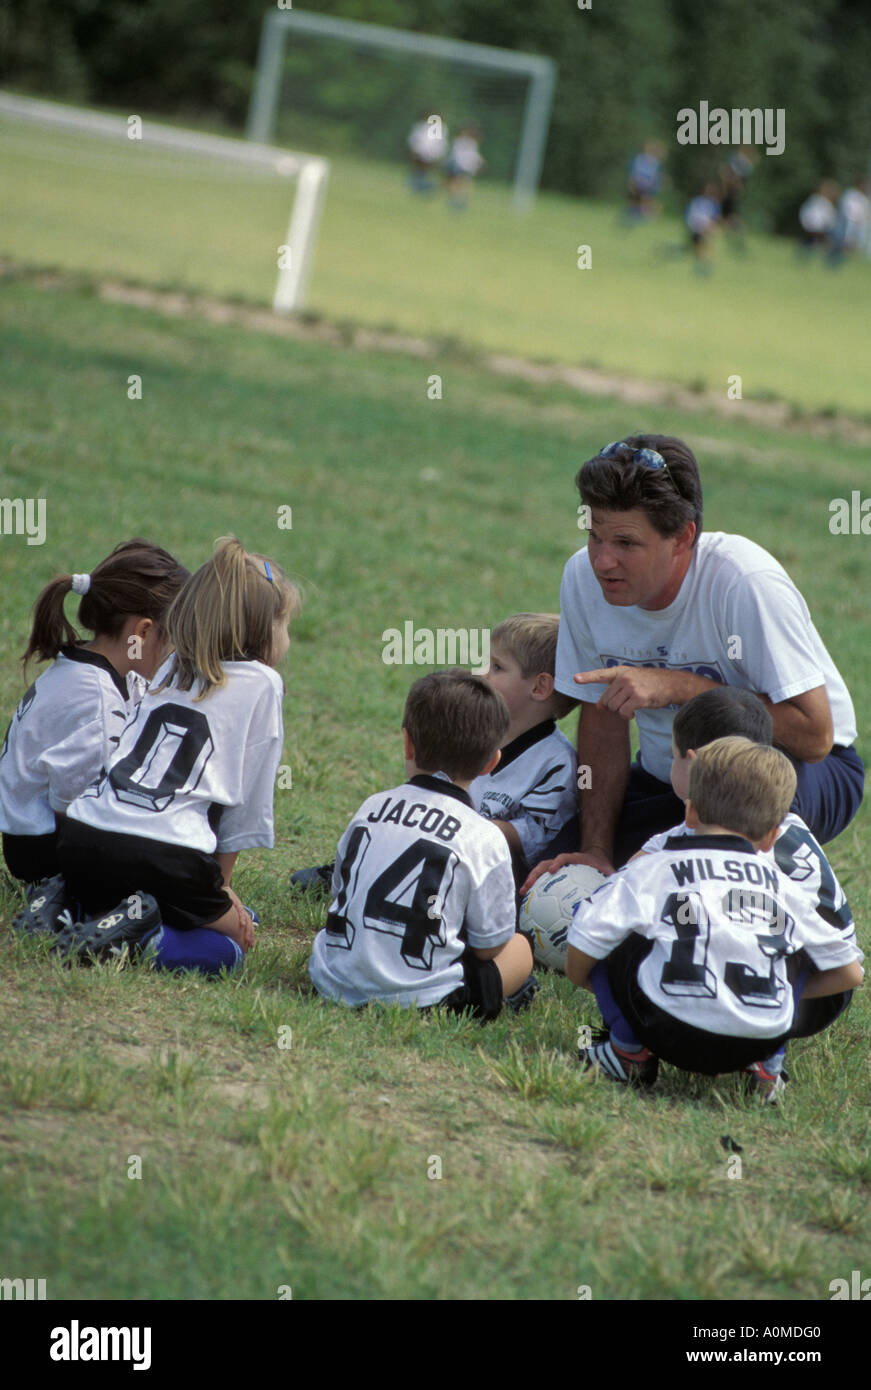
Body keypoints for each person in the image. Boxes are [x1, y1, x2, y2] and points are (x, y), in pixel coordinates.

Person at [523, 434, 862, 887]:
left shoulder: (743, 581)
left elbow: (816, 735)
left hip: (801, 769)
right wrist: (597, 849)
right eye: (594, 535)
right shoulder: (582, 580)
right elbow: (602, 719)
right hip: (675, 778)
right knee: (551, 876)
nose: (602, 560)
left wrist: (678, 686)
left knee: (704, 877)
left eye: (626, 542)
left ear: (683, 537)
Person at [49, 538, 298, 975]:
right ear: (266, 633)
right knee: (235, 944)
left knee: (224, 914)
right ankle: (139, 938)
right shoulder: (263, 684)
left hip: (83, 836)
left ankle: (66, 907)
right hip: (168, 855)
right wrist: (222, 890)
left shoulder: (170, 661)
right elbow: (246, 805)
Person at [566, 738, 864, 1100]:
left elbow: (584, 936)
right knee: (793, 956)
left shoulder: (652, 870)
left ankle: (626, 1052)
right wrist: (779, 995)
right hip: (756, 1041)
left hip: (662, 1028)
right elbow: (850, 973)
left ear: (690, 813)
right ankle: (768, 1069)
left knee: (617, 926)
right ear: (772, 837)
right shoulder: (788, 891)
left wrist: (599, 987)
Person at [631, 686, 856, 1096]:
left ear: (694, 763)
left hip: (755, 982)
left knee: (642, 930)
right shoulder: (791, 826)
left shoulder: (685, 836)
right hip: (825, 991)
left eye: (673, 754)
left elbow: (627, 887)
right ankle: (765, 1055)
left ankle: (629, 1050)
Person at [308, 669, 536, 1017]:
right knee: (519, 948)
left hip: (330, 979)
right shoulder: (485, 834)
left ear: (407, 743)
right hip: (423, 1003)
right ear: (491, 762)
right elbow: (490, 948)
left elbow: (341, 891)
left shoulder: (371, 807)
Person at [0, 540, 189, 885]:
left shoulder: (95, 667)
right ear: (143, 631)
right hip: (46, 851)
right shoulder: (96, 699)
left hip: (38, 837)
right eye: (175, 638)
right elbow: (74, 806)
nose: (176, 652)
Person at [468, 614, 577, 888]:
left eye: (497, 667)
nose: (480, 673)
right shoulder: (472, 731)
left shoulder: (556, 761)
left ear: (539, 687)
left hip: (498, 876)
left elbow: (536, 834)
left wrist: (464, 827)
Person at [828, 178, 870, 267]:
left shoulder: (863, 198)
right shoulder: (850, 195)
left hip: (858, 226)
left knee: (852, 247)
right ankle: (835, 262)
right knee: (843, 245)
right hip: (846, 225)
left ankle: (842, 262)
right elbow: (849, 211)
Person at [443, 124, 485, 210]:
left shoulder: (469, 143)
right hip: (460, 165)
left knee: (462, 183)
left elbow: (472, 156)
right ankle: (456, 200)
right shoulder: (460, 141)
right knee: (456, 183)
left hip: (463, 166)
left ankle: (460, 201)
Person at [406, 112, 449, 194]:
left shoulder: (441, 129)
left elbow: (441, 143)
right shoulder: (422, 126)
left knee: (426, 170)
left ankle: (422, 186)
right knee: (418, 169)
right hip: (421, 151)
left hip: (431, 153)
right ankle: (417, 185)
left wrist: (438, 154)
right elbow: (416, 139)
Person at [624, 141, 665, 223]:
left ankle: (646, 216)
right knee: (635, 201)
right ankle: (637, 215)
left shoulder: (655, 163)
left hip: (647, 186)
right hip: (638, 184)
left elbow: (656, 177)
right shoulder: (639, 159)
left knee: (645, 201)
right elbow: (633, 172)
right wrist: (632, 183)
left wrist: (654, 186)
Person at [685, 183, 721, 272]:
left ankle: (705, 265)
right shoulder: (697, 202)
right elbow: (691, 216)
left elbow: (715, 218)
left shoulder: (713, 203)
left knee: (704, 247)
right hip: (697, 227)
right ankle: (702, 265)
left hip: (703, 228)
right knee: (699, 248)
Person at [798, 180, 839, 256]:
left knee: (810, 242)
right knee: (834, 241)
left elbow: (804, 212)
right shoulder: (825, 203)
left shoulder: (813, 199)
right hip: (819, 228)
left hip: (809, 226)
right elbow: (830, 219)